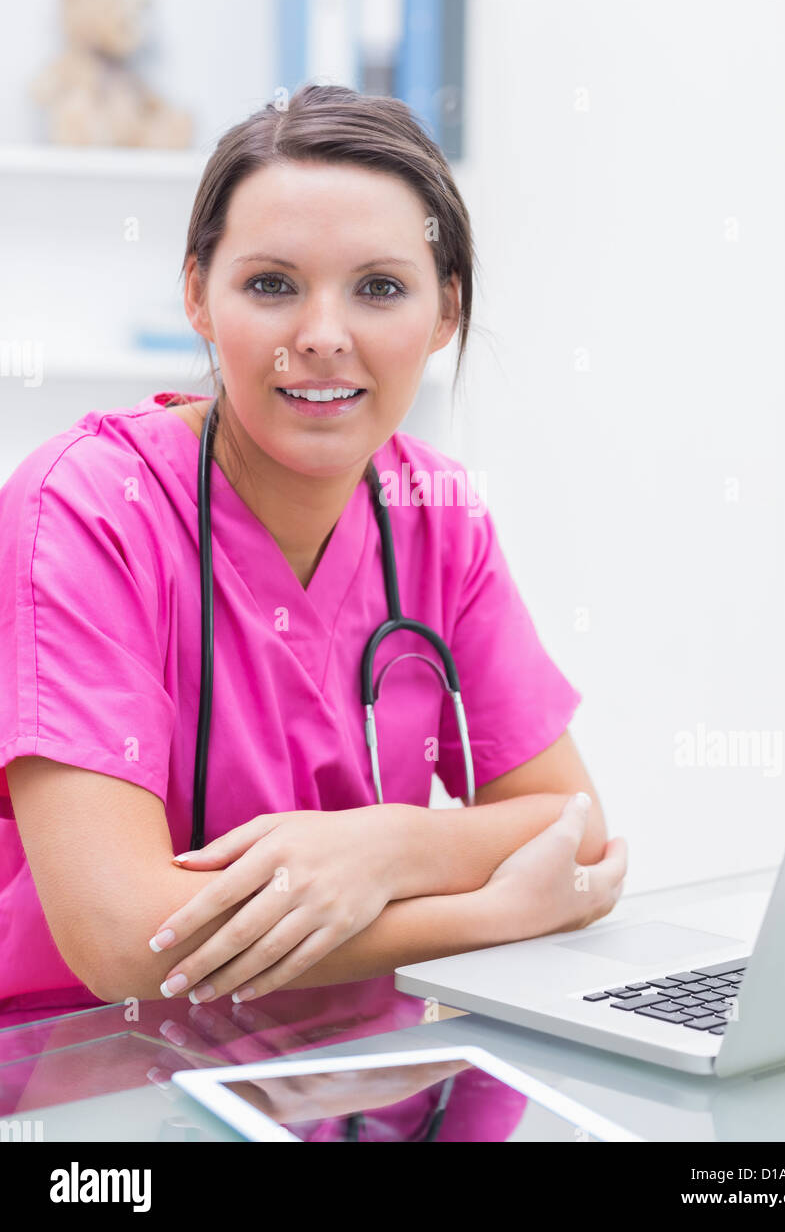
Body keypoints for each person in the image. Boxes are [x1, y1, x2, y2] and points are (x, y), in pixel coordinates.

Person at [0, 84, 627, 1029]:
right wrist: (488, 912)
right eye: (271, 284)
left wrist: (377, 850)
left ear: (446, 311)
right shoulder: (85, 509)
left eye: (379, 287)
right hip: (83, 1071)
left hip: (350, 1072)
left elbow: (575, 835)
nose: (323, 337)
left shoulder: (437, 512)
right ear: (196, 297)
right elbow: (126, 941)